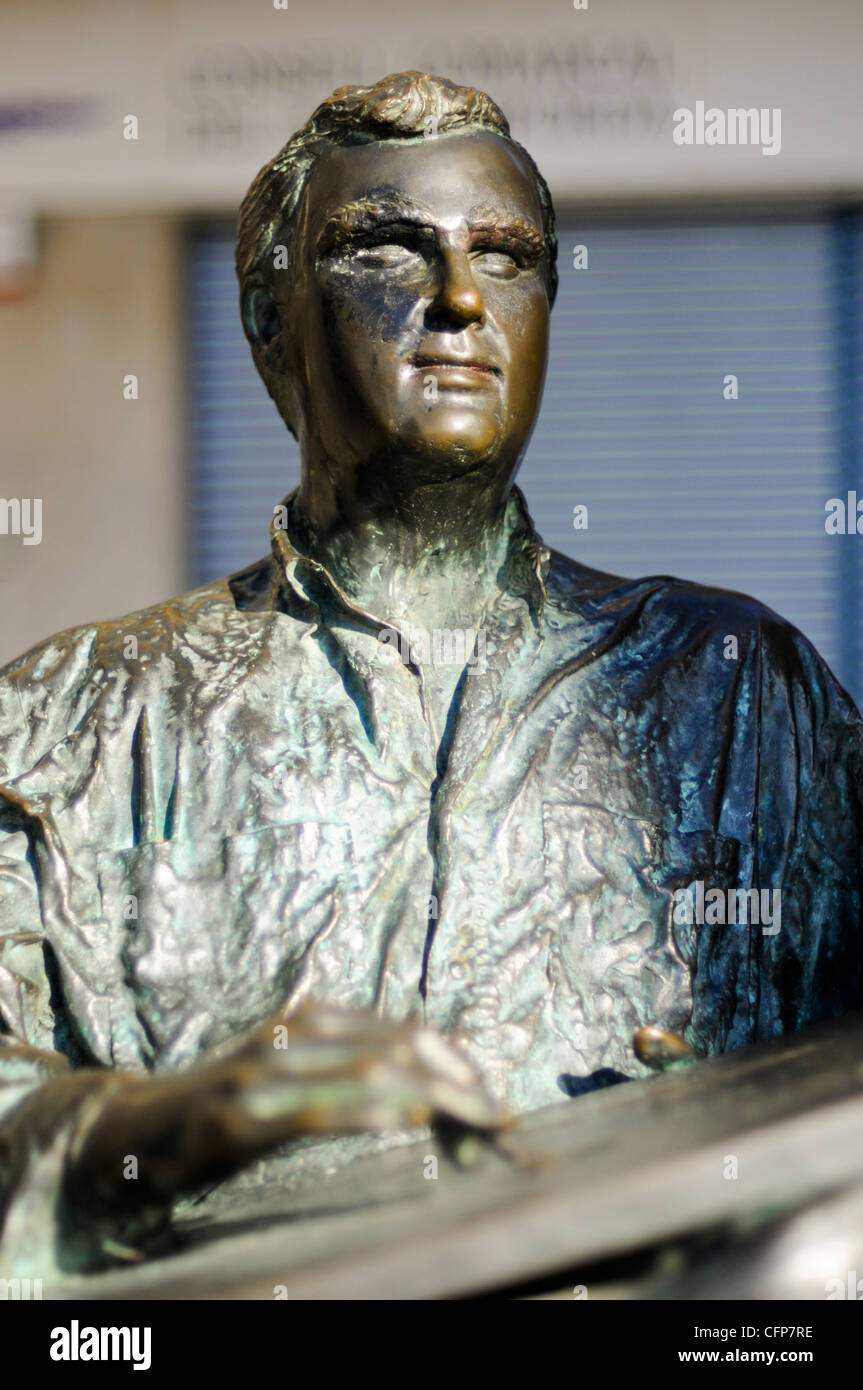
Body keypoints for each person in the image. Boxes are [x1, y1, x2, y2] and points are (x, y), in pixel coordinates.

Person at [1, 70, 860, 1278]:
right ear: (266, 315)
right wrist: (175, 1126)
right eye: (387, 253)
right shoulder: (69, 721)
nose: (459, 301)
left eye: (506, 258)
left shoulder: (739, 690)